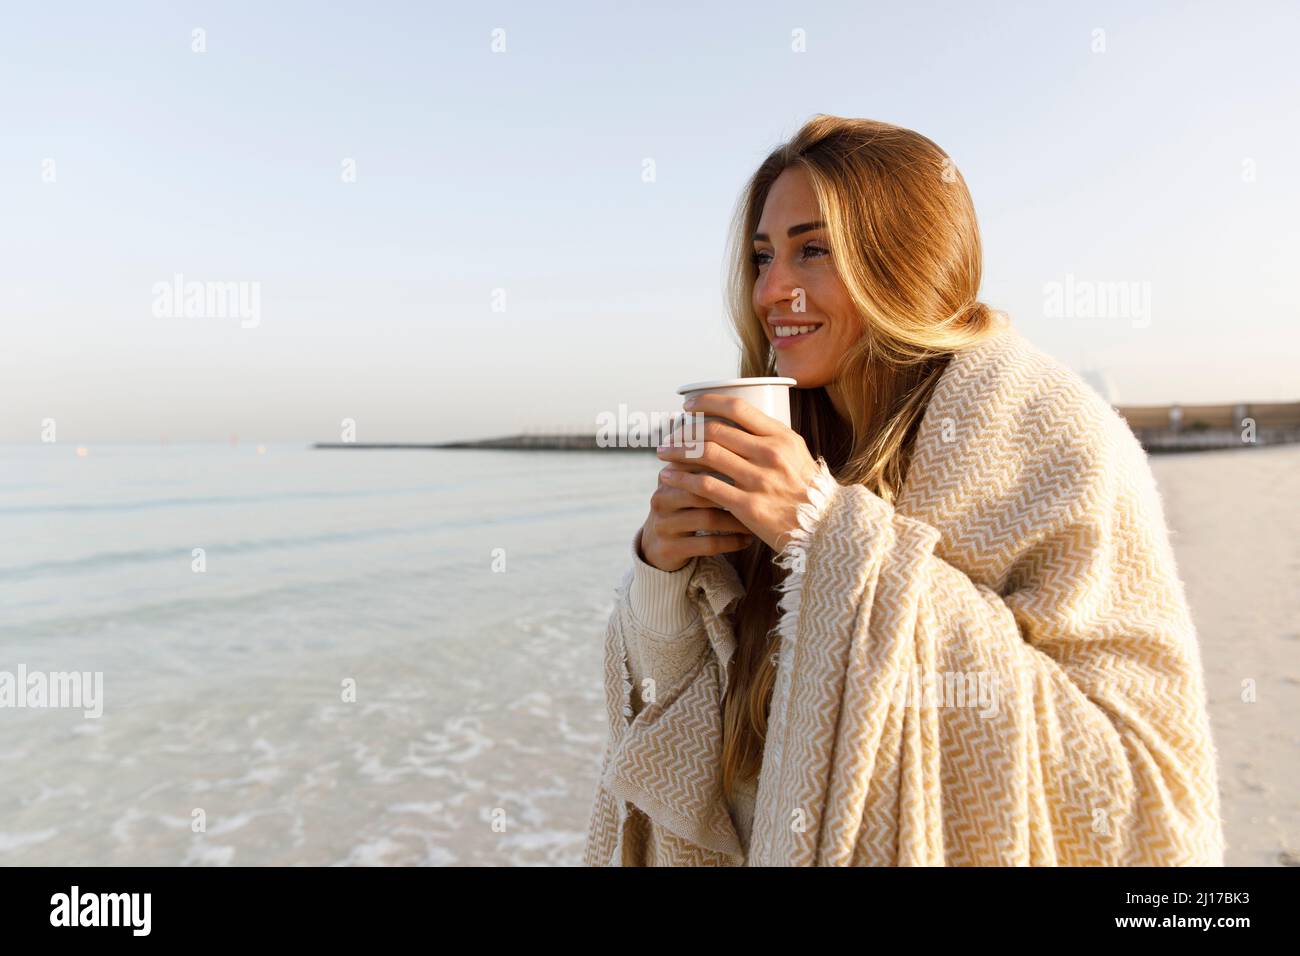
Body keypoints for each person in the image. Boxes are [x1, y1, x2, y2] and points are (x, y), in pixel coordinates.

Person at [583, 114, 1225, 866]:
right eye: (762, 257)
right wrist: (665, 580)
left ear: (905, 260)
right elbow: (687, 763)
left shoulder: (1050, 438)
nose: (771, 290)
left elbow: (1143, 795)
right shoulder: (801, 437)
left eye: (812, 251)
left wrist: (825, 534)